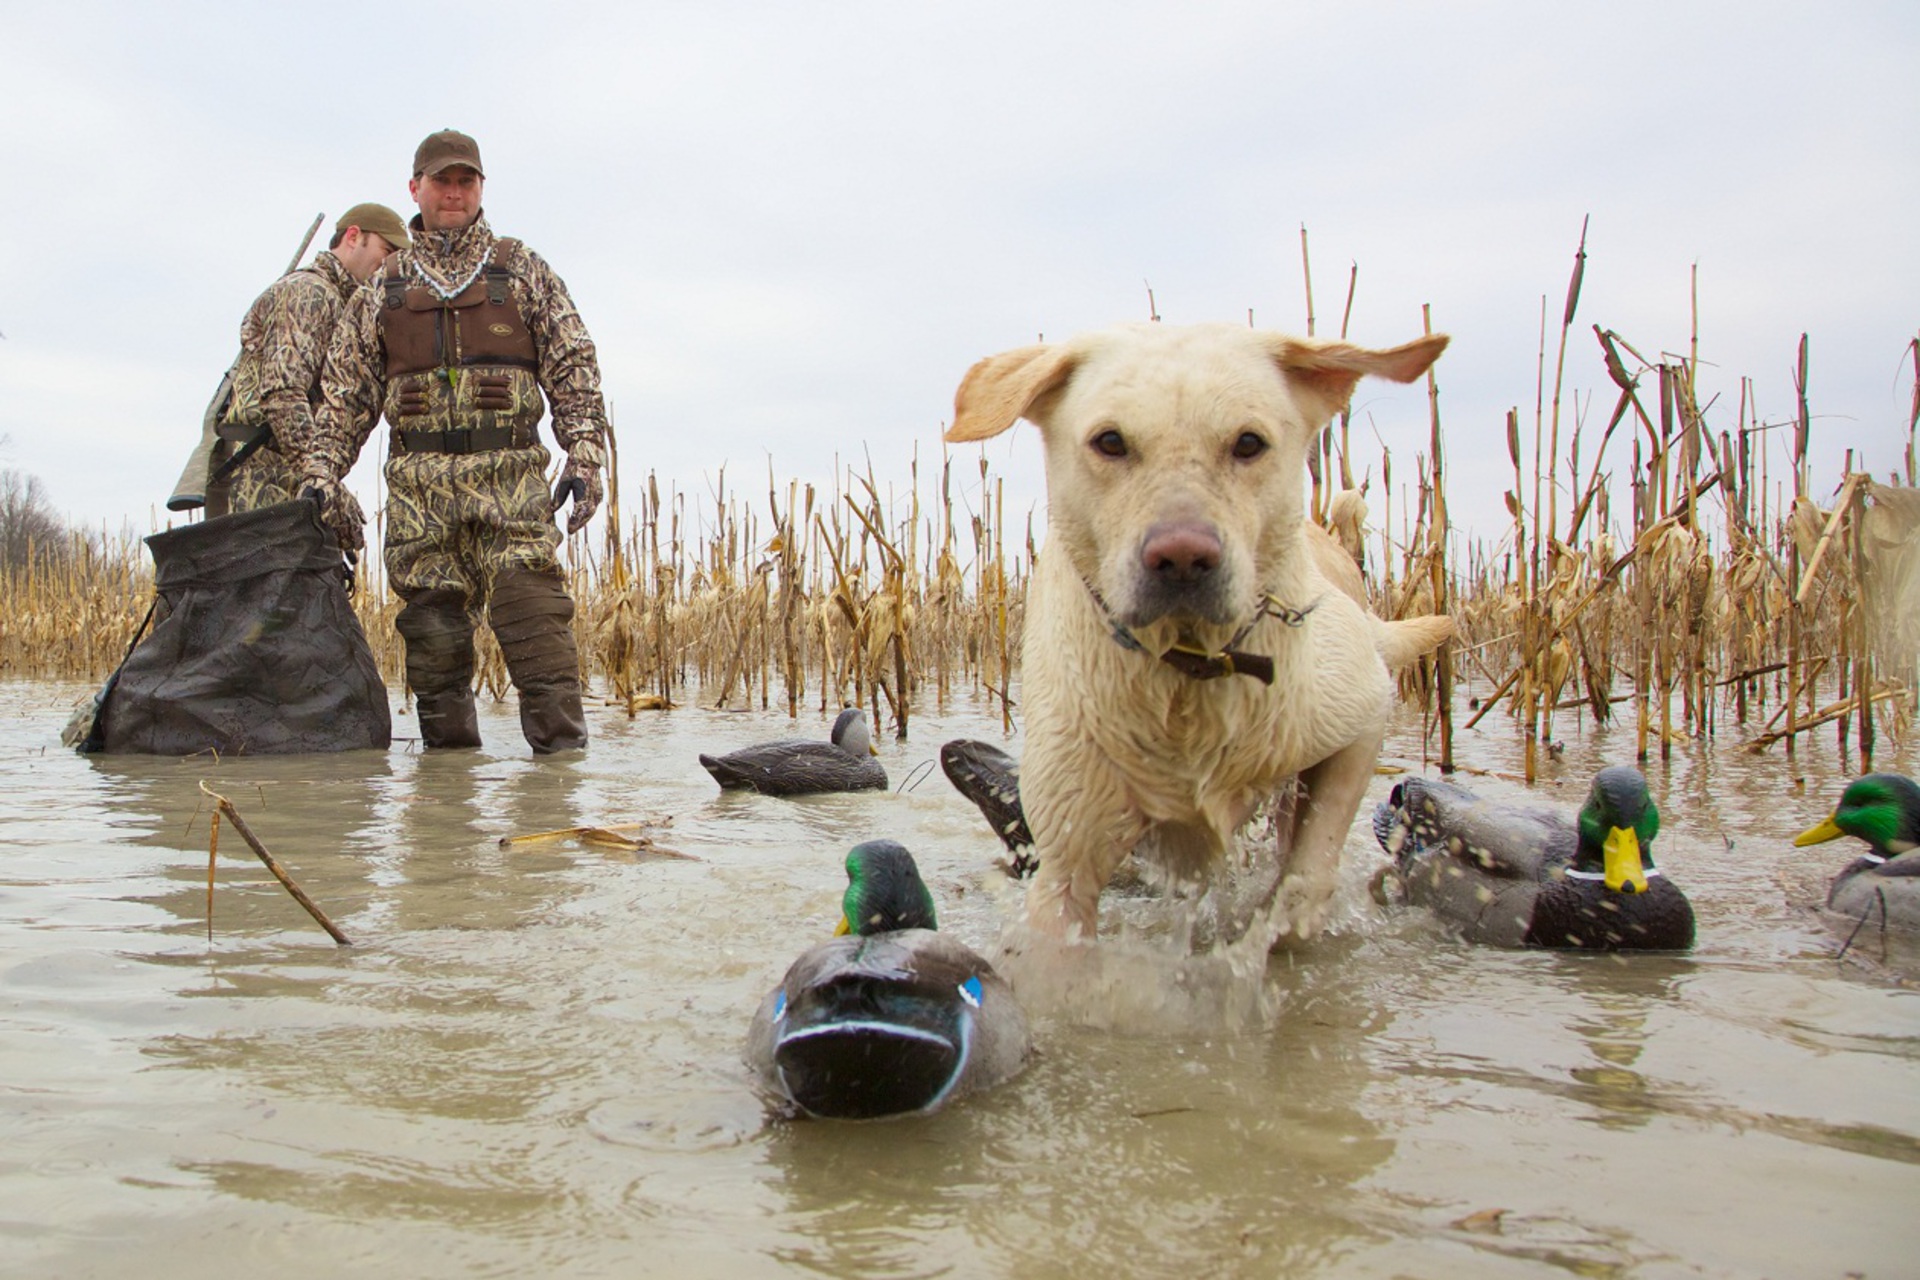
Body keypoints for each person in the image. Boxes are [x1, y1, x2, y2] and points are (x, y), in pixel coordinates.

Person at [302, 128, 609, 755]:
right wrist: (322, 474)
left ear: (480, 188)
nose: (453, 192)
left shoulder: (522, 268)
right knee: (433, 640)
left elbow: (574, 364)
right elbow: (345, 397)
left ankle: (560, 784)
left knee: (534, 616)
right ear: (415, 187)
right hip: (419, 488)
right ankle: (448, 804)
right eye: (441, 180)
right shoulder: (381, 287)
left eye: (465, 180)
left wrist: (584, 451)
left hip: (511, 475)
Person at [219, 204, 410, 514]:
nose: (388, 264)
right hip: (262, 480)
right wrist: (322, 480)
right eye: (386, 249)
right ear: (353, 236)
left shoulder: (343, 302)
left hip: (281, 475)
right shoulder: (310, 292)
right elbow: (283, 394)